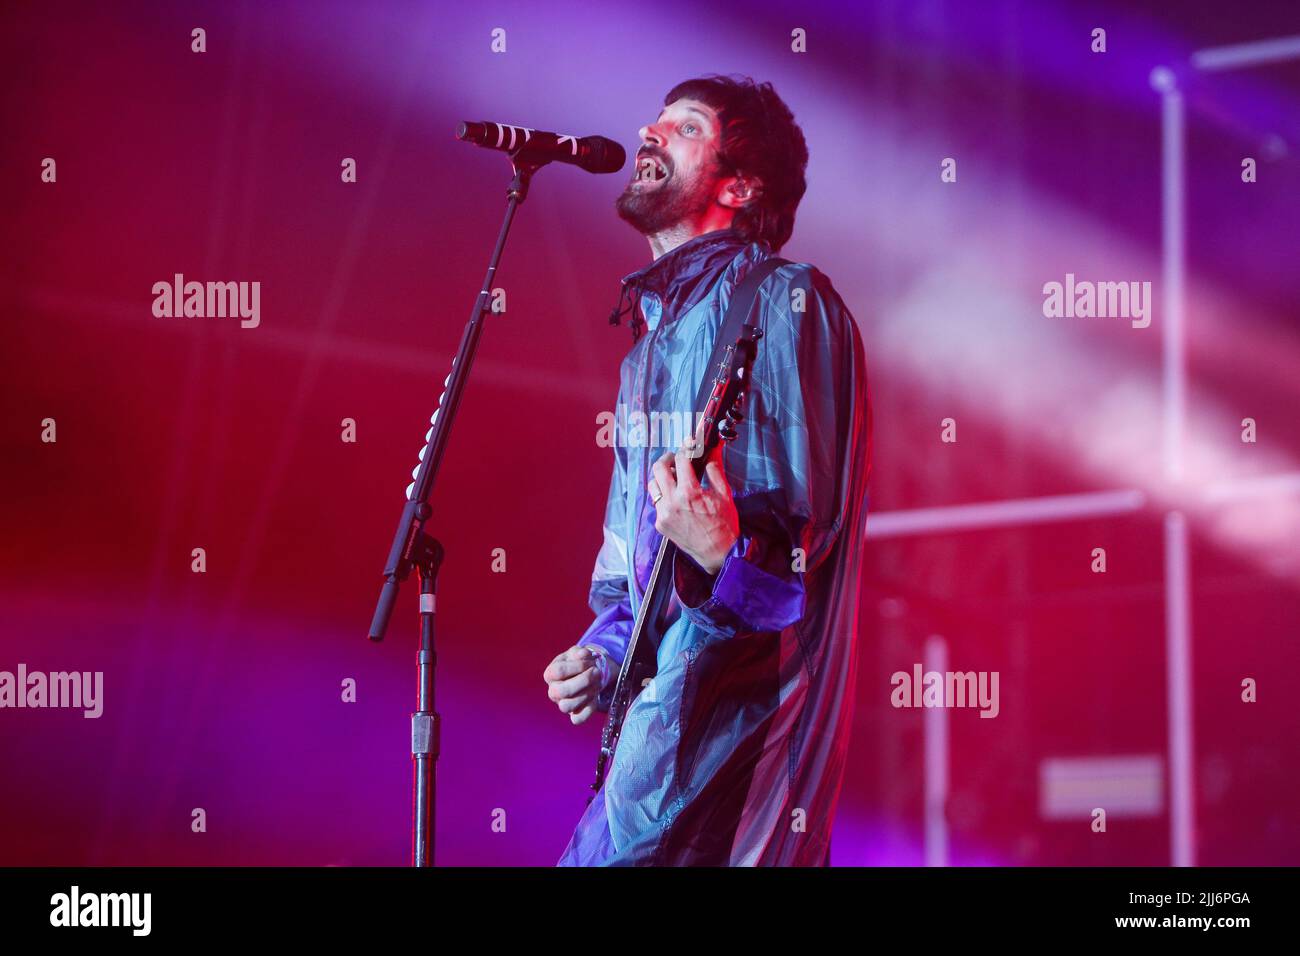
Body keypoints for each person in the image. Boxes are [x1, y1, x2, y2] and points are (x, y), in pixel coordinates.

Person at [544, 74, 872, 866]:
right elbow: (631, 567)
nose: (650, 133)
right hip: (655, 743)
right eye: (655, 119)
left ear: (740, 184)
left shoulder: (787, 303)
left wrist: (727, 555)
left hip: (740, 743)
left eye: (684, 126)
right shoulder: (647, 353)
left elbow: (804, 537)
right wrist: (604, 652)